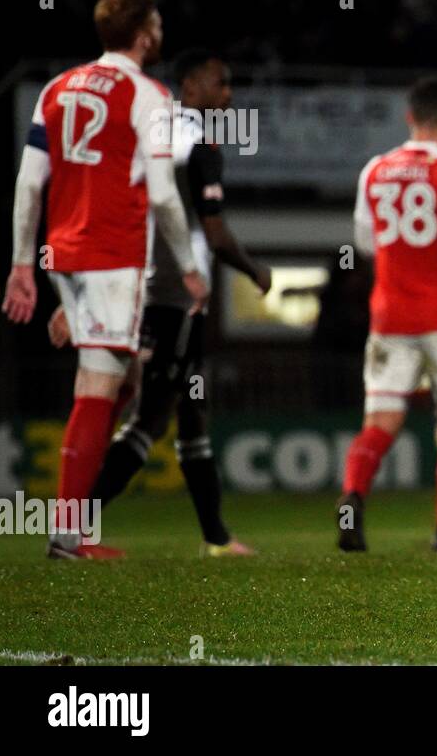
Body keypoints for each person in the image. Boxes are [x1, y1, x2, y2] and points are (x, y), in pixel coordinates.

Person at [3, 0, 208, 558]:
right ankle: (69, 534)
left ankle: (75, 526)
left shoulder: (56, 88)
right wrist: (189, 268)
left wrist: (23, 263)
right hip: (113, 256)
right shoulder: (149, 96)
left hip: (62, 256)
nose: (161, 32)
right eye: (159, 23)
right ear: (144, 35)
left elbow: (28, 184)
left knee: (120, 379)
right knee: (99, 387)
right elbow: (165, 196)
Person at [76, 49, 271, 557]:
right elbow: (216, 232)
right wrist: (255, 270)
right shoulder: (199, 145)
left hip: (146, 286)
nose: (228, 95)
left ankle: (216, 537)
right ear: (190, 85)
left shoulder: (148, 133)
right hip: (175, 297)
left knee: (192, 416)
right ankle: (75, 528)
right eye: (220, 82)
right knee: (151, 418)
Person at [335, 79, 437, 552]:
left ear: (409, 117)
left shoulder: (375, 169)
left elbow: (365, 242)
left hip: (391, 316)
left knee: (380, 423)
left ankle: (351, 501)